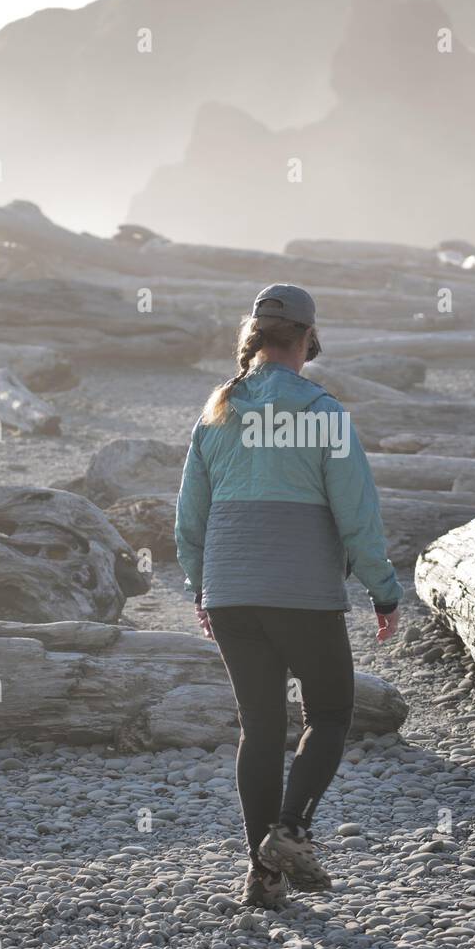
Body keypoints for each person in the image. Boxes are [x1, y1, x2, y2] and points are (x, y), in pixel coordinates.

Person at [175, 283, 402, 907]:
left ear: (253, 337)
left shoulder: (216, 409)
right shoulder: (323, 412)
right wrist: (384, 590)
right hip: (301, 593)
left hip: (230, 590)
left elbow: (189, 517)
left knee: (260, 728)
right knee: (330, 714)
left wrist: (201, 587)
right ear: (307, 339)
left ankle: (263, 877)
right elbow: (356, 515)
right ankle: (293, 830)